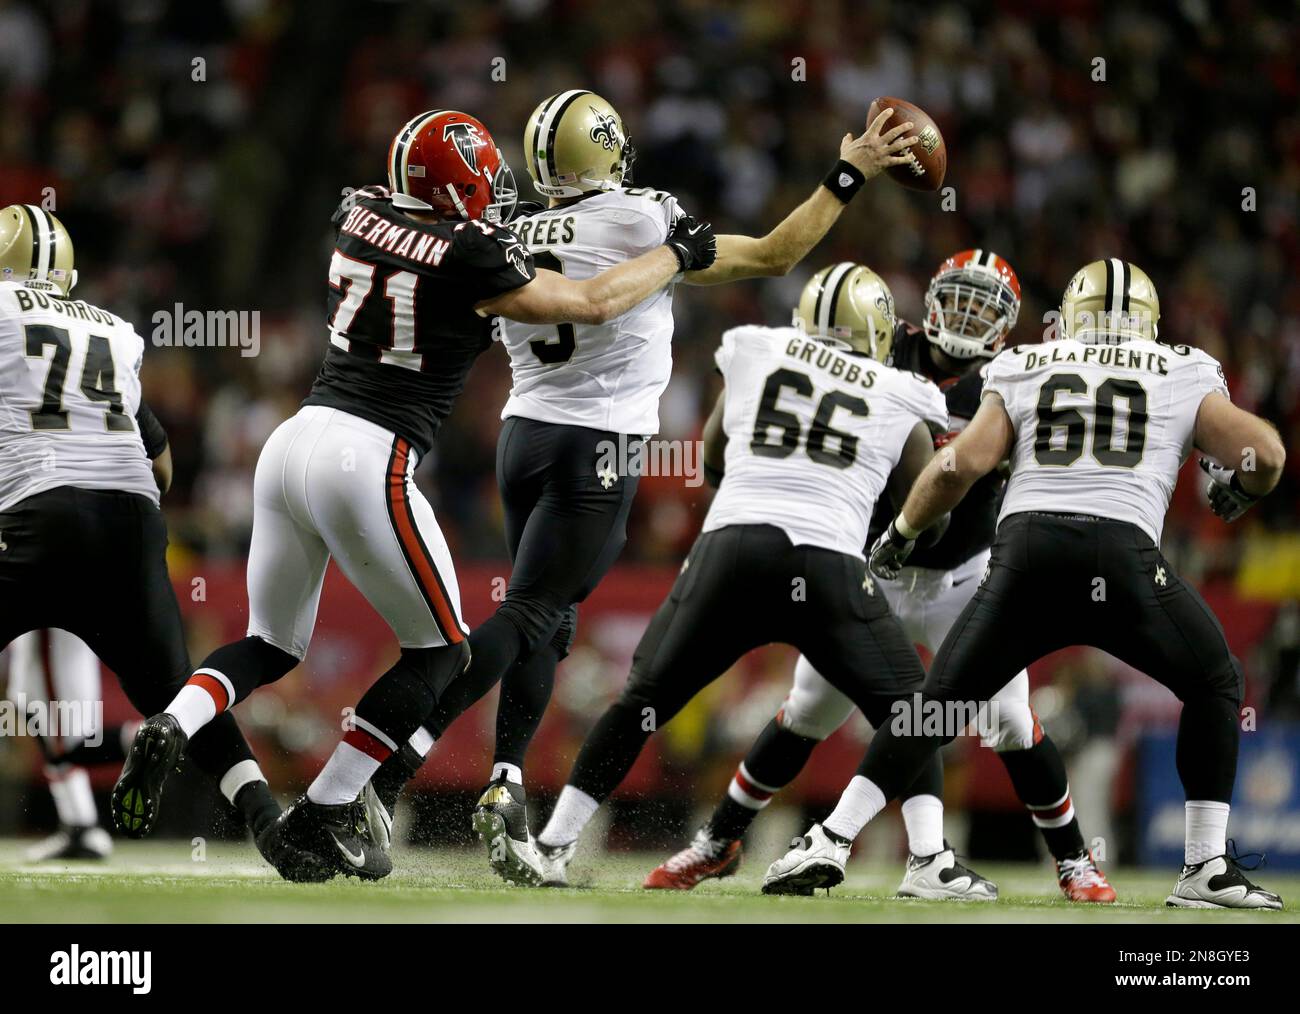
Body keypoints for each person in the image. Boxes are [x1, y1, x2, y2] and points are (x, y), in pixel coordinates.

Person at [117, 110, 717, 882]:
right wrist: (674, 250)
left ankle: (174, 718)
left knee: (268, 645)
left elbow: (408, 217)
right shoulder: (472, 251)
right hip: (367, 456)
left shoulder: (357, 208)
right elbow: (593, 302)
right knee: (445, 652)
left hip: (291, 441)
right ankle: (330, 805)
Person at [365, 93, 921, 886]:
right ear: (605, 152)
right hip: (597, 442)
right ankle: (389, 771)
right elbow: (773, 255)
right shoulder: (643, 218)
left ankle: (506, 783)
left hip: (522, 437)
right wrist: (849, 173)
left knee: (547, 623)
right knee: (527, 614)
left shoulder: (509, 228)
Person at [763, 259, 1285, 910]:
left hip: (1026, 555)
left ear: (1070, 317)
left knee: (938, 706)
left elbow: (959, 465)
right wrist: (1240, 491)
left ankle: (829, 840)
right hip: (1122, 558)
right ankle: (1204, 865)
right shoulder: (1182, 367)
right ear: (1148, 322)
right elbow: (1265, 455)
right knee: (1214, 679)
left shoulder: (1025, 363)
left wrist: (900, 532)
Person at [648, 252, 1114, 903]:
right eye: (959, 300)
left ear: (1008, 327)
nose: (967, 318)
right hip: (877, 569)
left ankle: (1073, 861)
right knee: (808, 708)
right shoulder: (878, 348)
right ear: (927, 303)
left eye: (984, 309)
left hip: (964, 575)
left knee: (1009, 719)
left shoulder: (1016, 376)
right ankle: (718, 839)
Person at [529, 263, 994, 900]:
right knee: (916, 711)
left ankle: (554, 843)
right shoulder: (900, 389)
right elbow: (929, 503)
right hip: (829, 562)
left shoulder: (757, 348)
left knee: (644, 700)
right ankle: (929, 861)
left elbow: (714, 453)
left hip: (732, 549)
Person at [0, 204, 286, 861]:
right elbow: (159, 460)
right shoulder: (116, 331)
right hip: (130, 516)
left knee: (36, 697)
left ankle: (82, 811)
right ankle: (270, 822)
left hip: (39, 515)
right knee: (177, 690)